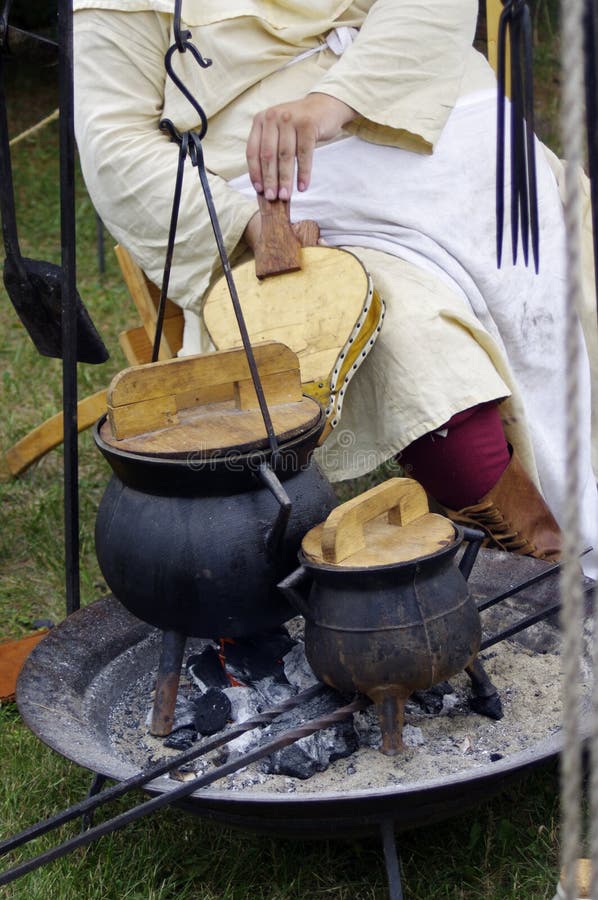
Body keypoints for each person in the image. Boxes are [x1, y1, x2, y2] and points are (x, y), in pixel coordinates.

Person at [72, 0, 598, 576]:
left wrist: (331, 103)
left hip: (451, 134)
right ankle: (549, 569)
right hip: (296, 204)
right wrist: (248, 223)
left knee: (559, 289)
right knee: (412, 344)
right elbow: (114, 146)